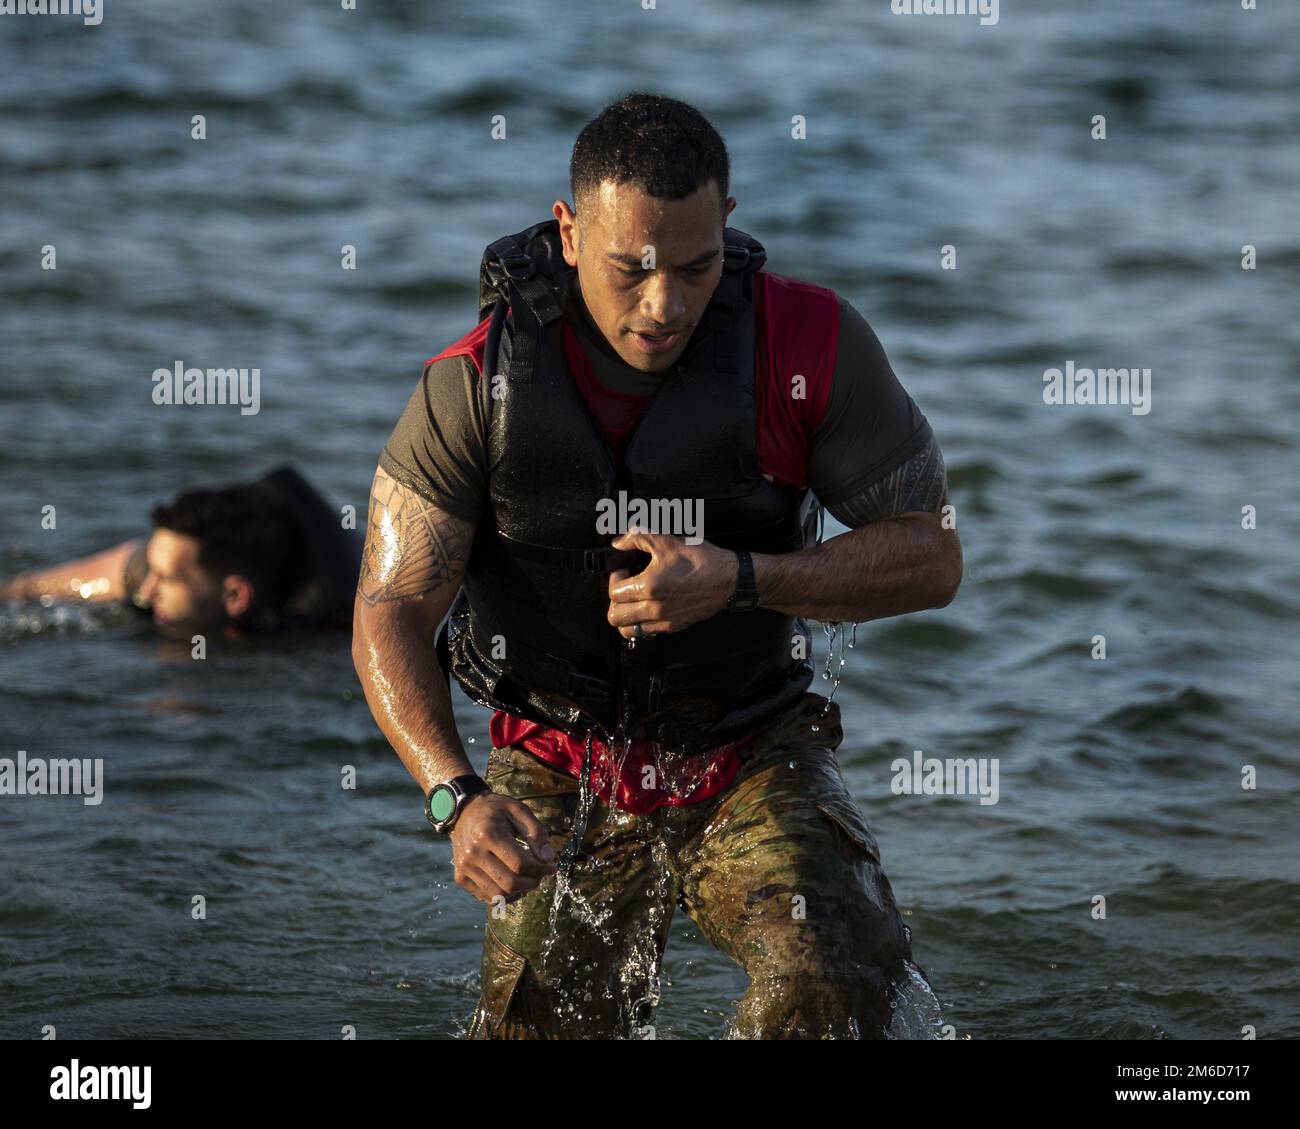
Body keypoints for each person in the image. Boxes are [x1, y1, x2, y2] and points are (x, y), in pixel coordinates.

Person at [353, 92, 963, 1039]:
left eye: (695, 266)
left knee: (828, 973)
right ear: (567, 232)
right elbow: (390, 607)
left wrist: (743, 577)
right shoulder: (473, 386)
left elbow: (932, 557)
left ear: (728, 222)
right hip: (558, 763)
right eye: (630, 267)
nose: (664, 304)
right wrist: (455, 794)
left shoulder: (809, 347)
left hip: (748, 750)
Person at [1, 465, 360, 638]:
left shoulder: (333, 617)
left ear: (235, 595)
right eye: (151, 570)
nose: (146, 590)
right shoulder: (149, 570)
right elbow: (27, 588)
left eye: (167, 580)